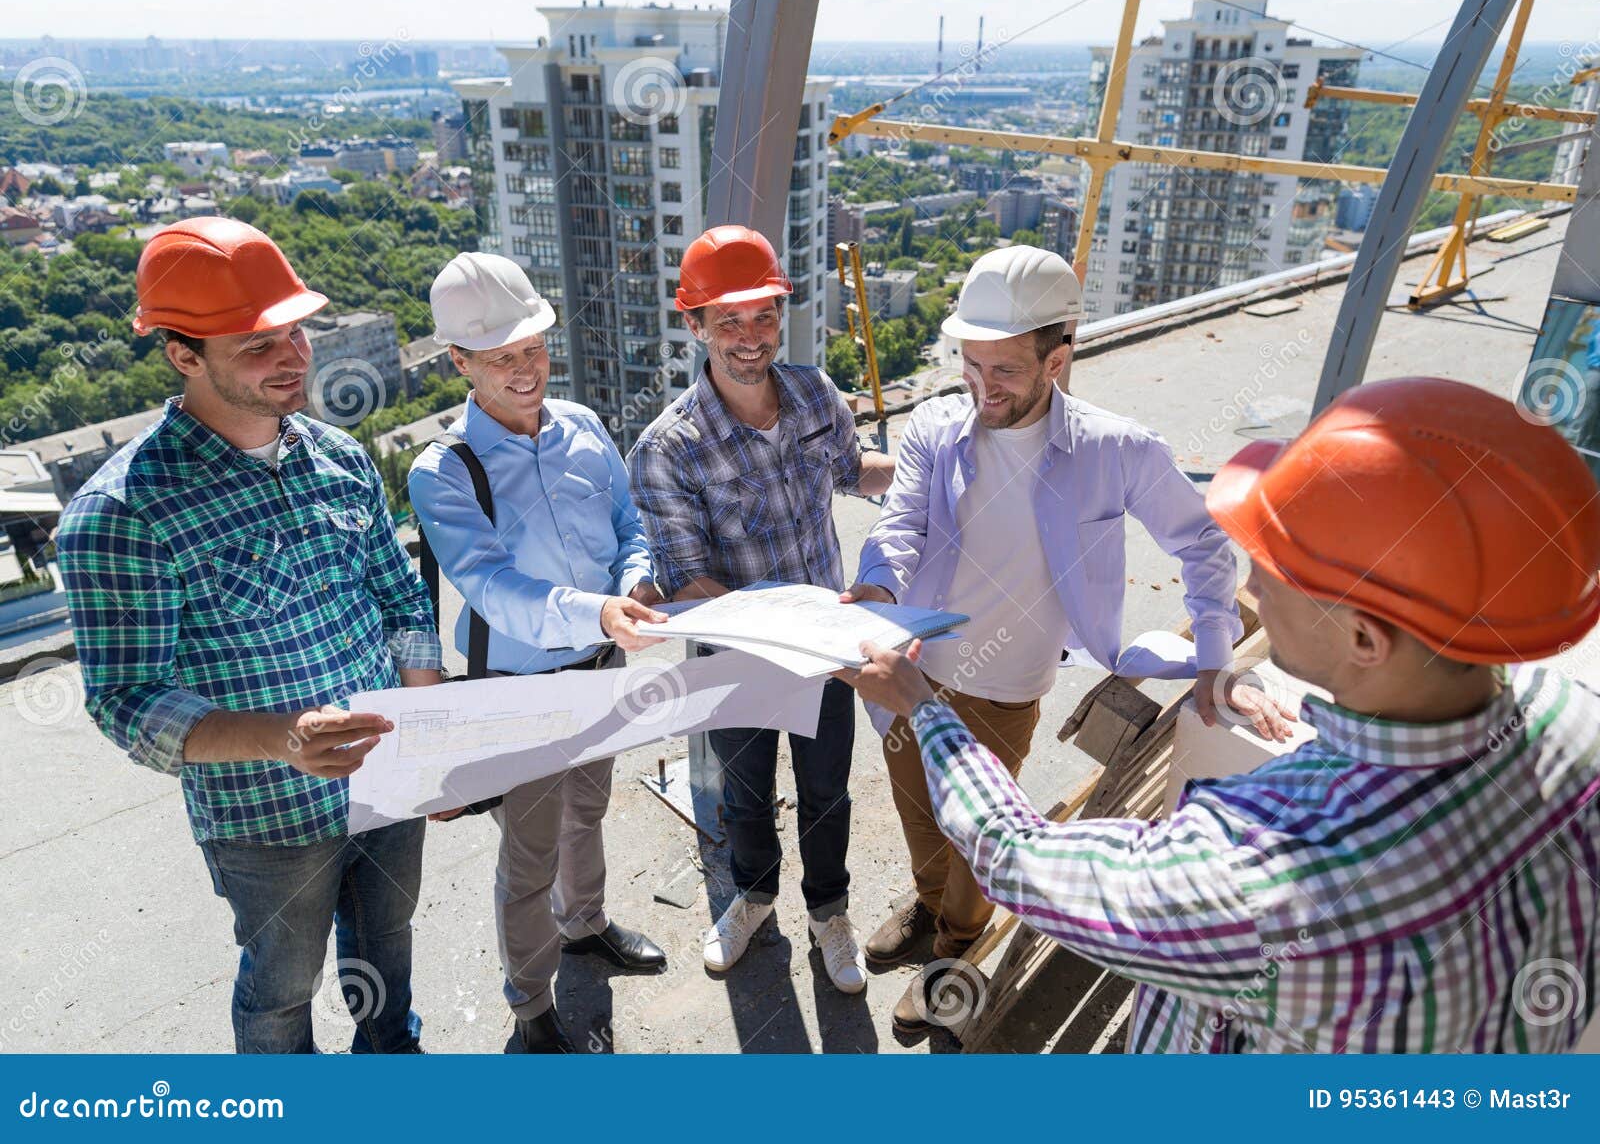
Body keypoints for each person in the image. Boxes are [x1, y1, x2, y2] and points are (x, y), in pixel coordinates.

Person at [841, 377, 1600, 1052]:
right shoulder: (1575, 730)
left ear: (1366, 637)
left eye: (1280, 562)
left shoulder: (1263, 867)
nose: (1253, 584)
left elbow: (1017, 855)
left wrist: (919, 703)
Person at [844, 245, 1289, 1033]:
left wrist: (1217, 658)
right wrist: (876, 588)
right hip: (909, 669)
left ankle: (956, 946)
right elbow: (902, 522)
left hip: (1005, 686)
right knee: (919, 811)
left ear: (1058, 358)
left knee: (977, 836)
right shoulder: (936, 428)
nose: (982, 387)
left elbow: (1204, 546)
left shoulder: (1118, 450)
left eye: (1005, 369)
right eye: (969, 364)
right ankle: (926, 902)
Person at [55, 217, 443, 1053]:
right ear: (182, 354)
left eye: (295, 331)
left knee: (388, 953)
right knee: (280, 991)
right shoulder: (122, 514)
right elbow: (127, 702)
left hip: (387, 782)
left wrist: (429, 732)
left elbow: (402, 599)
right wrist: (284, 739)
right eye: (259, 344)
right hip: (266, 817)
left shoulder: (339, 457)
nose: (294, 356)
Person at [408, 252, 669, 1054]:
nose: (525, 371)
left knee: (586, 809)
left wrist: (636, 579)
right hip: (520, 691)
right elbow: (492, 589)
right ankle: (530, 1004)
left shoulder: (584, 426)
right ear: (460, 362)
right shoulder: (443, 471)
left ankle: (584, 924)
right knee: (527, 855)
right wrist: (601, 611)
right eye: (501, 358)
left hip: (603, 669)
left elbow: (631, 523)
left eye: (533, 350)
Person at [627, 225, 896, 993]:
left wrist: (930, 466)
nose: (750, 337)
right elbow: (687, 580)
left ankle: (828, 910)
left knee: (827, 790)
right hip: (739, 658)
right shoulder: (668, 446)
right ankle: (752, 898)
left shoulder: (814, 392)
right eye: (729, 321)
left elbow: (853, 471)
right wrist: (778, 626)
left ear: (782, 311)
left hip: (825, 652)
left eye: (764, 316)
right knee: (744, 793)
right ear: (695, 325)